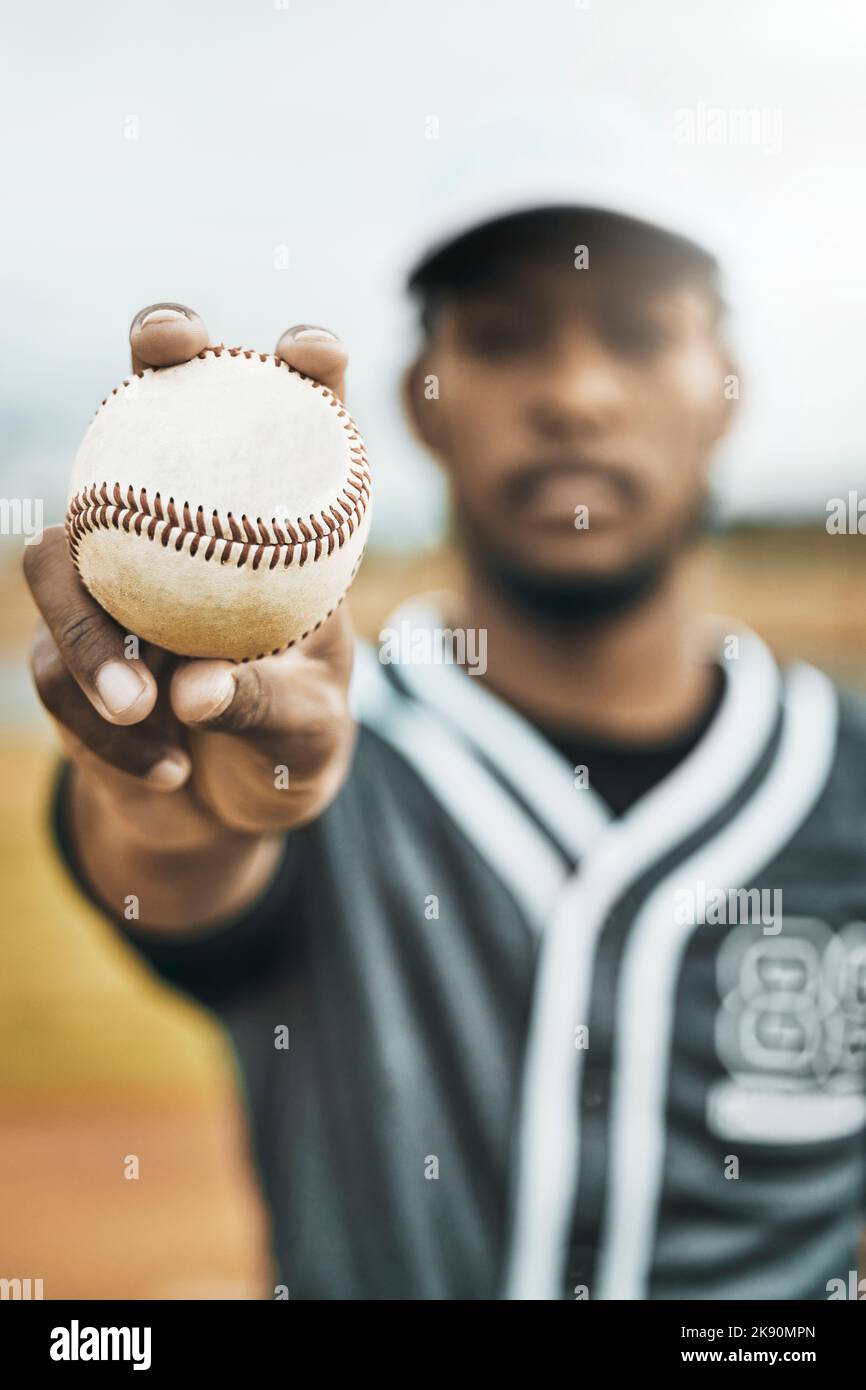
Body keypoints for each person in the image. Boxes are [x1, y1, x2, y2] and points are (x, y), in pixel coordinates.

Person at [25, 204, 866, 1301]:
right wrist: (179, 788)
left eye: (637, 332)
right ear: (423, 400)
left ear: (724, 388)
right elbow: (174, 861)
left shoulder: (839, 775)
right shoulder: (322, 743)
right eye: (505, 335)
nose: (574, 395)